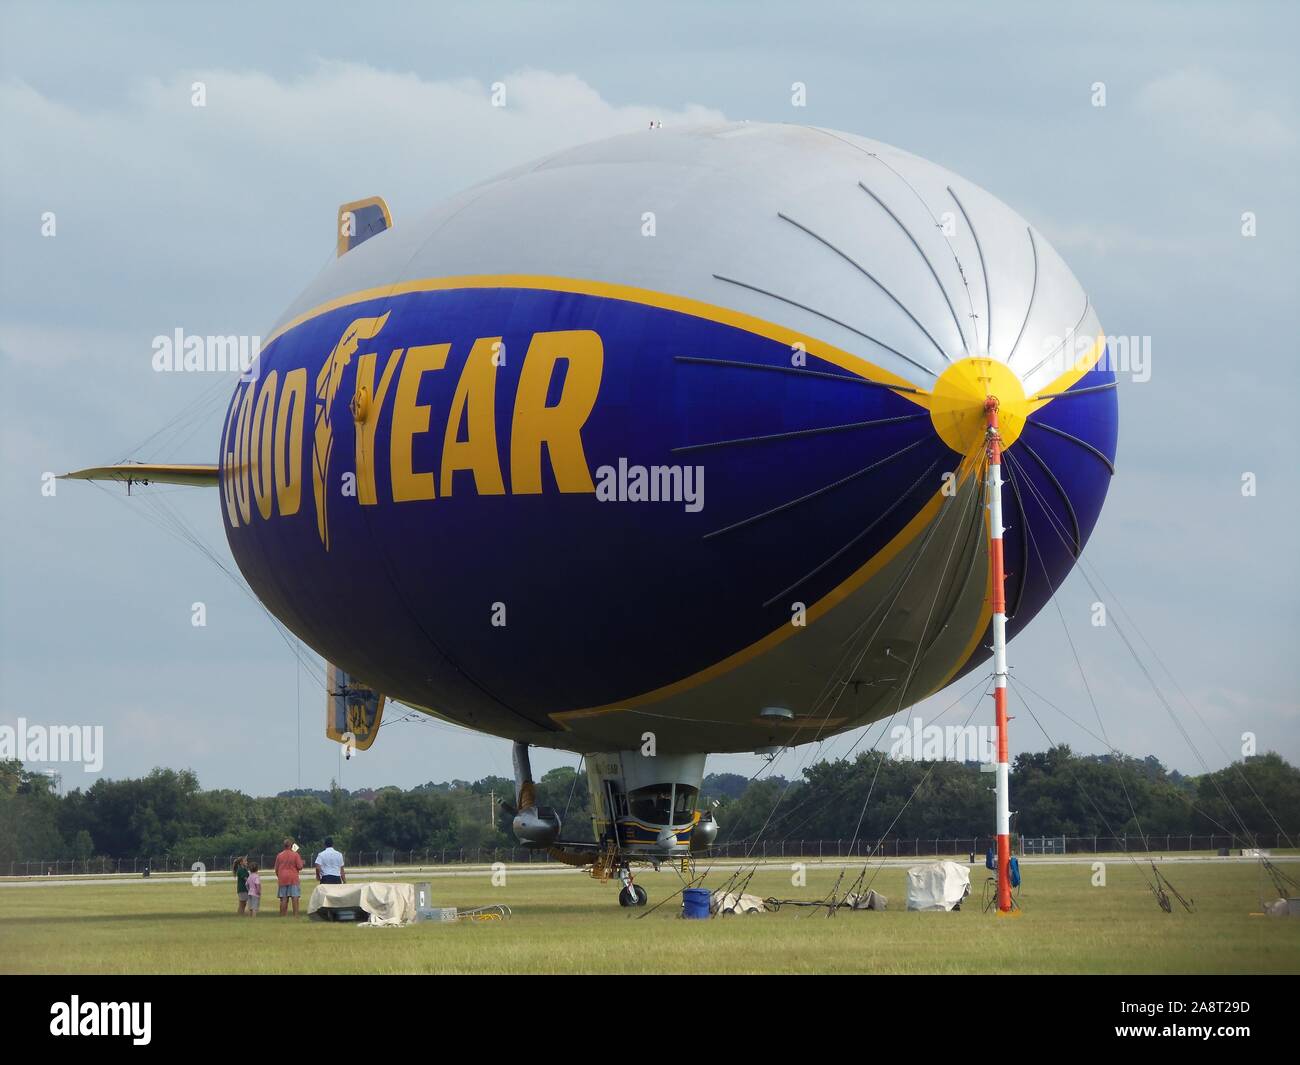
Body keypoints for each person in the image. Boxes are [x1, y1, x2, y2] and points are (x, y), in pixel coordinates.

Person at [274, 838, 304, 917]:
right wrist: (302, 862)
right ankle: (295, 915)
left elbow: (276, 868)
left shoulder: (279, 855)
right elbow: (300, 866)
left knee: (284, 898)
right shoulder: (295, 855)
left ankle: (283, 915)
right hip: (293, 878)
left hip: (282, 878)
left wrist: (279, 876)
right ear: (291, 846)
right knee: (295, 897)